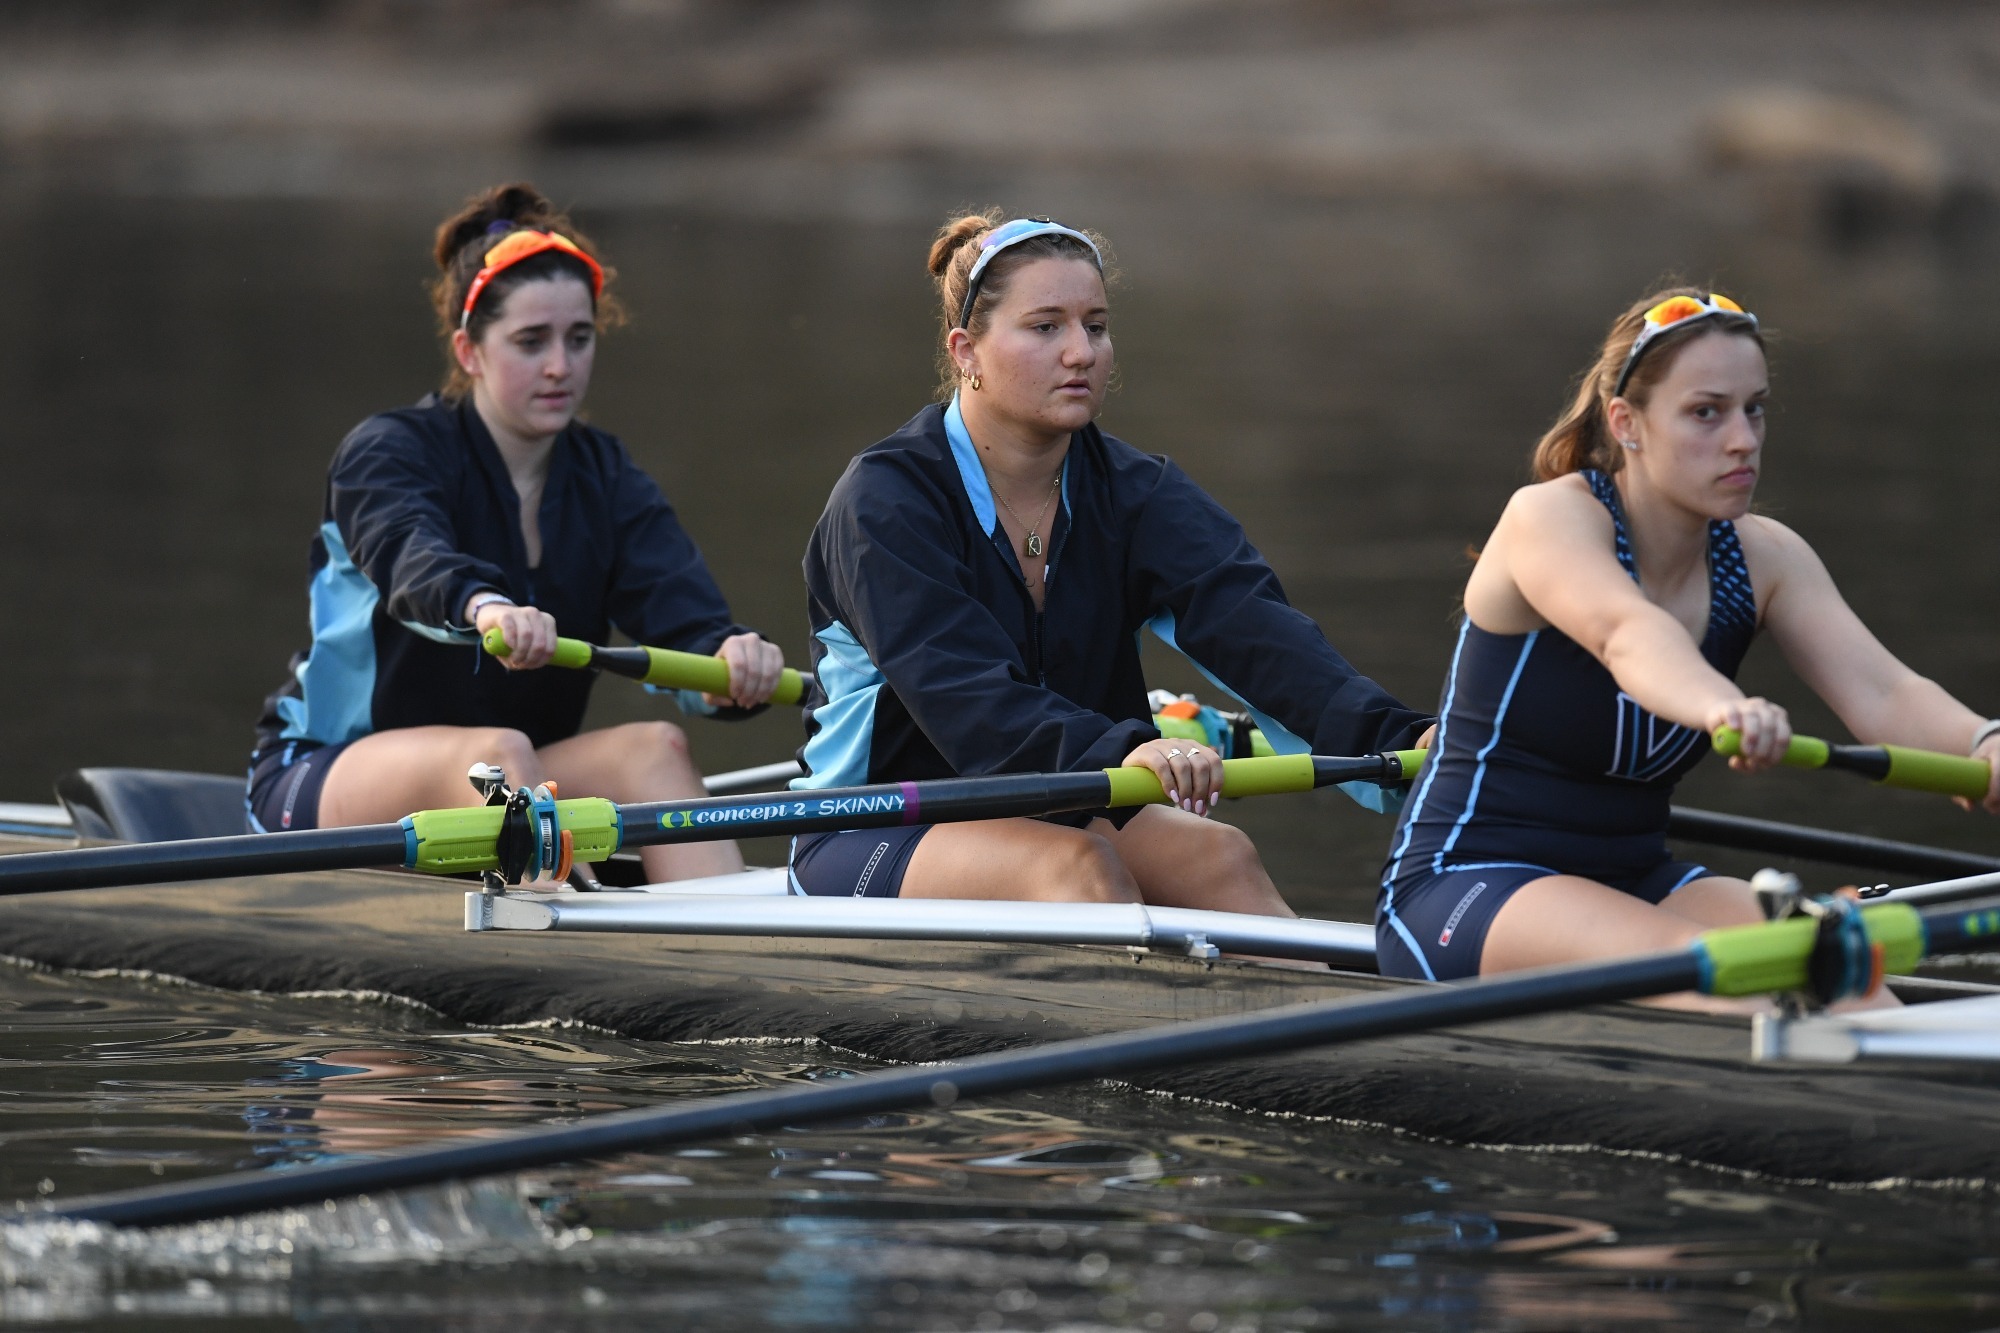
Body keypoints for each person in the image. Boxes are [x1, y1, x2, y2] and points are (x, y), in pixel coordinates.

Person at [790, 211, 1434, 913]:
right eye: (1046, 327)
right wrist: (1118, 748)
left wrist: (1404, 739)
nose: (1082, 353)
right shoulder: (885, 502)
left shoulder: (1138, 493)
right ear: (966, 350)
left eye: (1095, 326)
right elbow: (963, 695)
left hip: (1065, 793)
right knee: (1077, 866)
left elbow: (1262, 637)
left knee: (1218, 851)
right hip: (876, 823)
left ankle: (1339, 1019)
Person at [1377, 287, 2000, 1006]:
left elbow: (1885, 692)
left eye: (1754, 408)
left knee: (1850, 985)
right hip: (1464, 885)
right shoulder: (1549, 519)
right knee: (1741, 976)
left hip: (1640, 882)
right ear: (1627, 422)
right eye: (1707, 412)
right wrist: (1722, 705)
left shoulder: (1766, 559)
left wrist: (1983, 744)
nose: (1743, 439)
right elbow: (1625, 634)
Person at [248, 183, 785, 882]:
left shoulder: (606, 474)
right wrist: (486, 607)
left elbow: (682, 619)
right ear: (469, 350)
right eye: (532, 342)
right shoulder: (387, 451)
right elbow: (411, 557)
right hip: (326, 777)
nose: (561, 366)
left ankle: (738, 950)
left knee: (656, 747)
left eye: (579, 338)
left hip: (511, 778)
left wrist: (728, 663)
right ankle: (561, 938)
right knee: (498, 751)